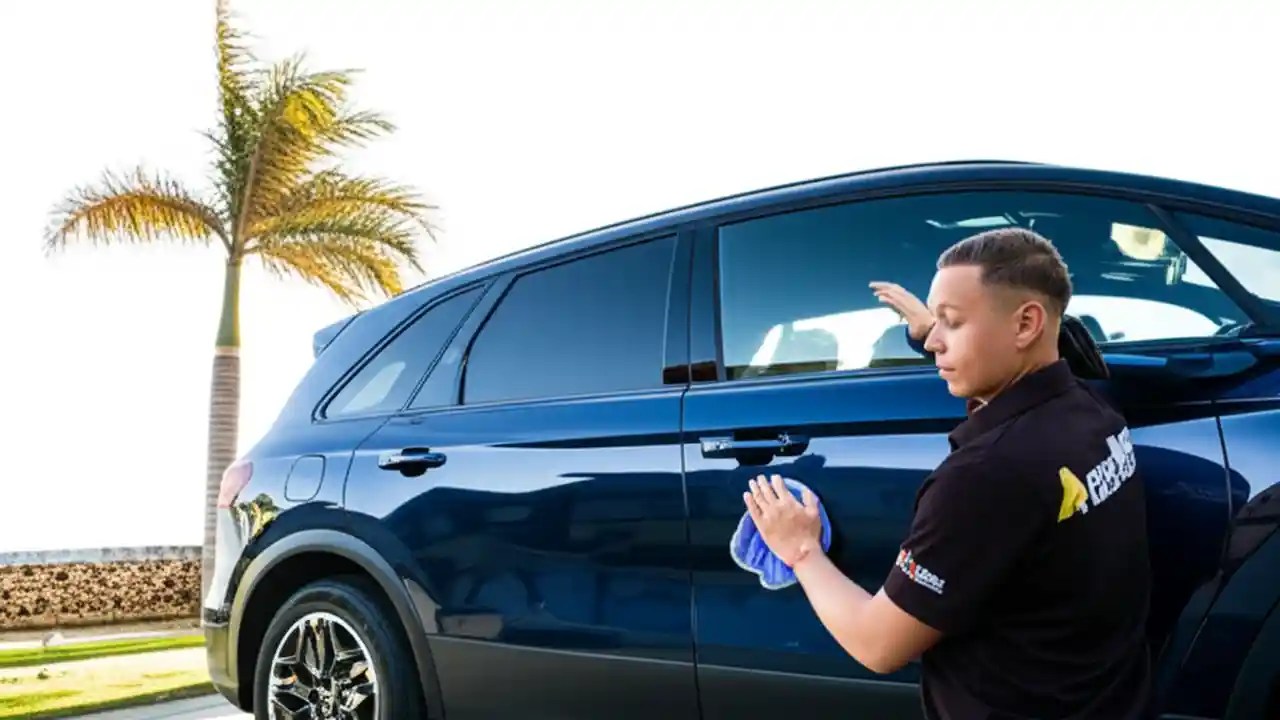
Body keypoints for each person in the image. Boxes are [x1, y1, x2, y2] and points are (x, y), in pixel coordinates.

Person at [743, 228, 1152, 719]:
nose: (934, 342)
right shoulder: (1092, 411)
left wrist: (801, 549)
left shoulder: (986, 477)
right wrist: (940, 326)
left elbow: (877, 646)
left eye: (952, 323)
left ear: (1026, 325)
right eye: (934, 323)